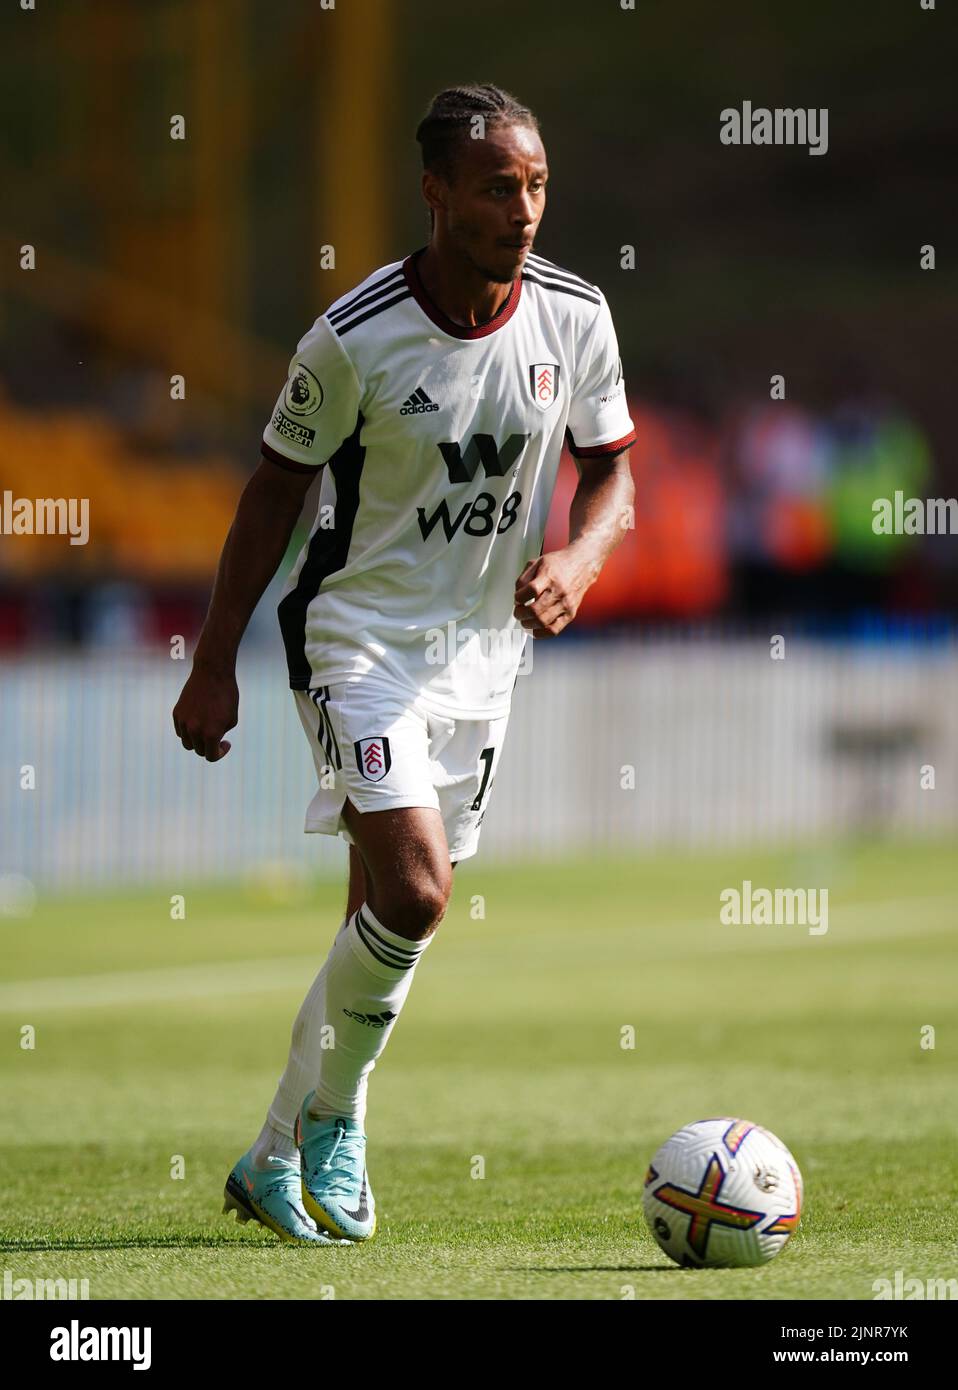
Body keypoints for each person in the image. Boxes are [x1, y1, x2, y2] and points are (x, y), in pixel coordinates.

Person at [172, 83, 636, 1246]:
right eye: (495, 187)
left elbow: (613, 470)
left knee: (383, 913)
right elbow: (272, 492)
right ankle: (323, 1122)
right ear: (435, 193)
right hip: (357, 642)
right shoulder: (354, 336)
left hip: (482, 662)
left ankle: (282, 1151)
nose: (522, 208)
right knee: (417, 893)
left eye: (534, 184)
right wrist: (213, 660)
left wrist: (579, 559)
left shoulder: (576, 318)